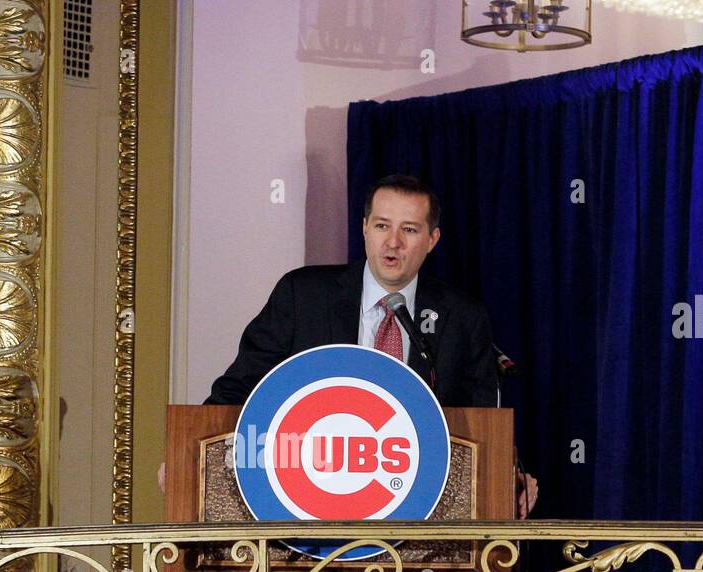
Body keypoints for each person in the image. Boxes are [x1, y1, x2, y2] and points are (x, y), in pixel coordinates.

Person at [204, 174, 537, 516]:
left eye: (409, 230)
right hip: (311, 499)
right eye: (382, 226)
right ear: (364, 228)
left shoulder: (462, 317)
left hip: (416, 510)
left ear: (432, 239)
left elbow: (481, 423)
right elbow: (239, 388)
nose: (392, 243)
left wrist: (507, 476)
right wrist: (191, 457)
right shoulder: (302, 296)